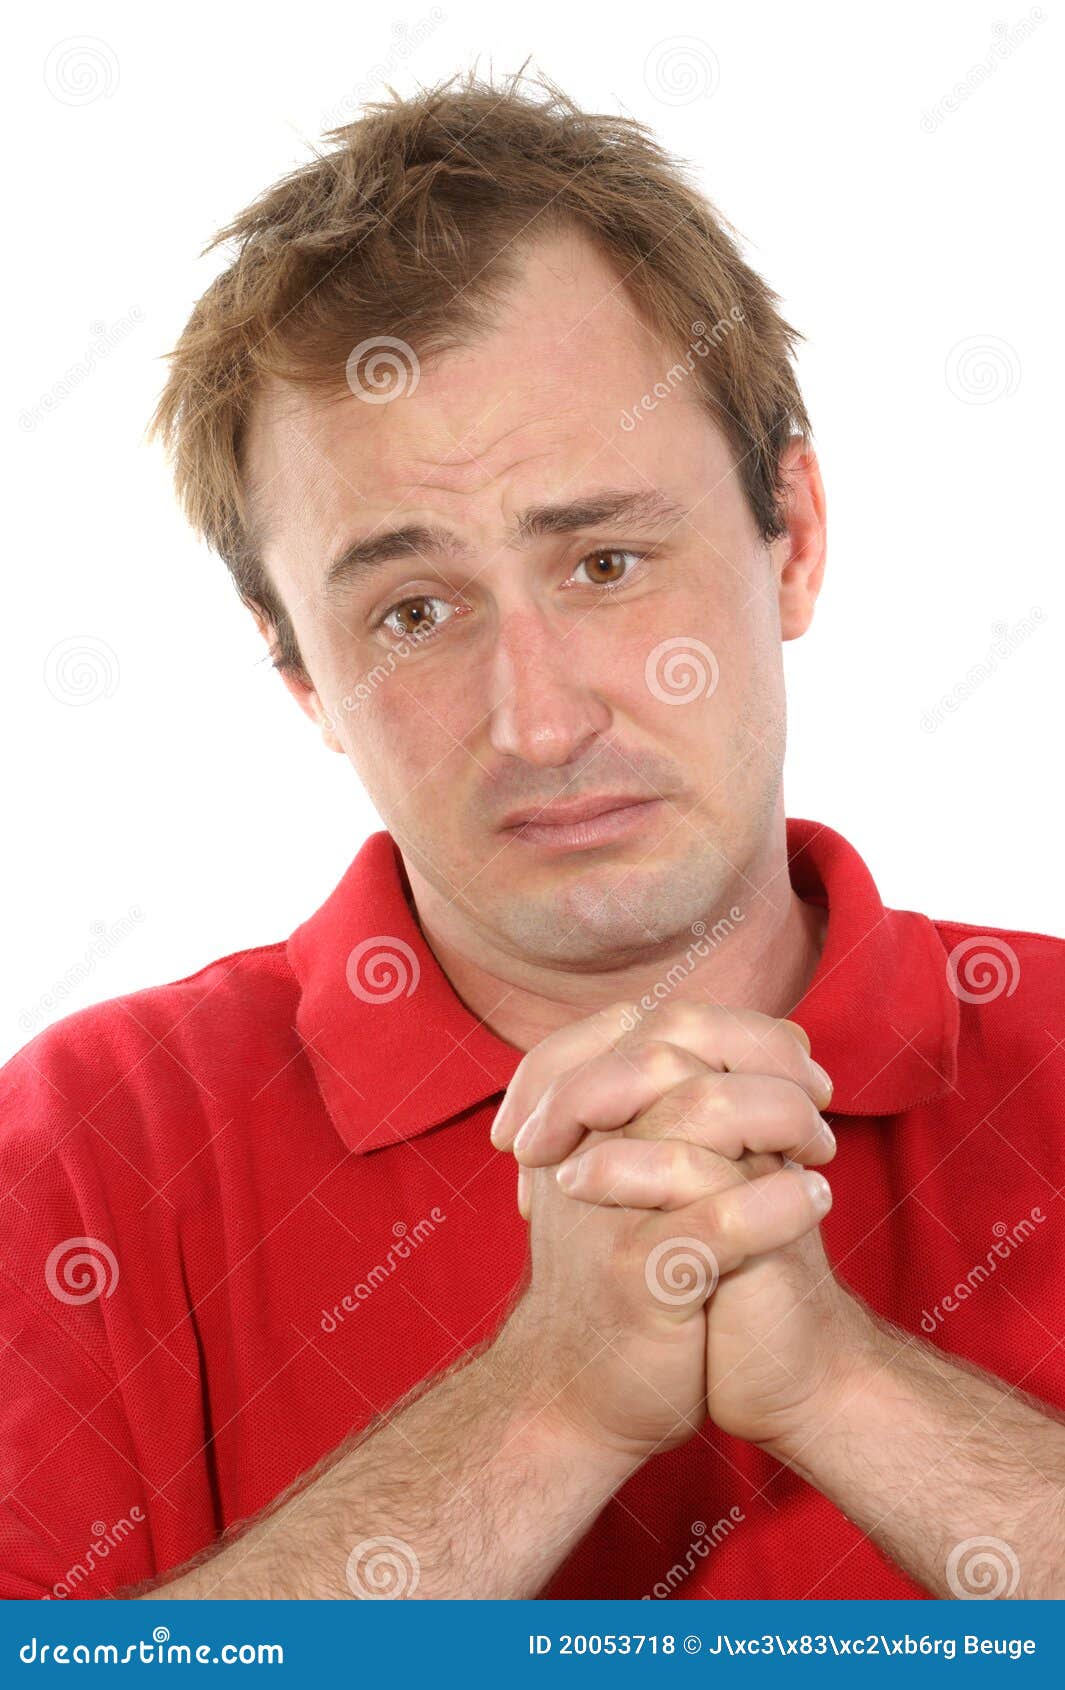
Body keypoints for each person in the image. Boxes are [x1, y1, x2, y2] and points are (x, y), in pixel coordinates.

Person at [2, 70, 1063, 1603]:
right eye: (412, 611)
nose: (539, 719)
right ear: (301, 670)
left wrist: (846, 1392)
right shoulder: (91, 1145)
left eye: (608, 559)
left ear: (795, 539)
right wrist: (550, 1403)